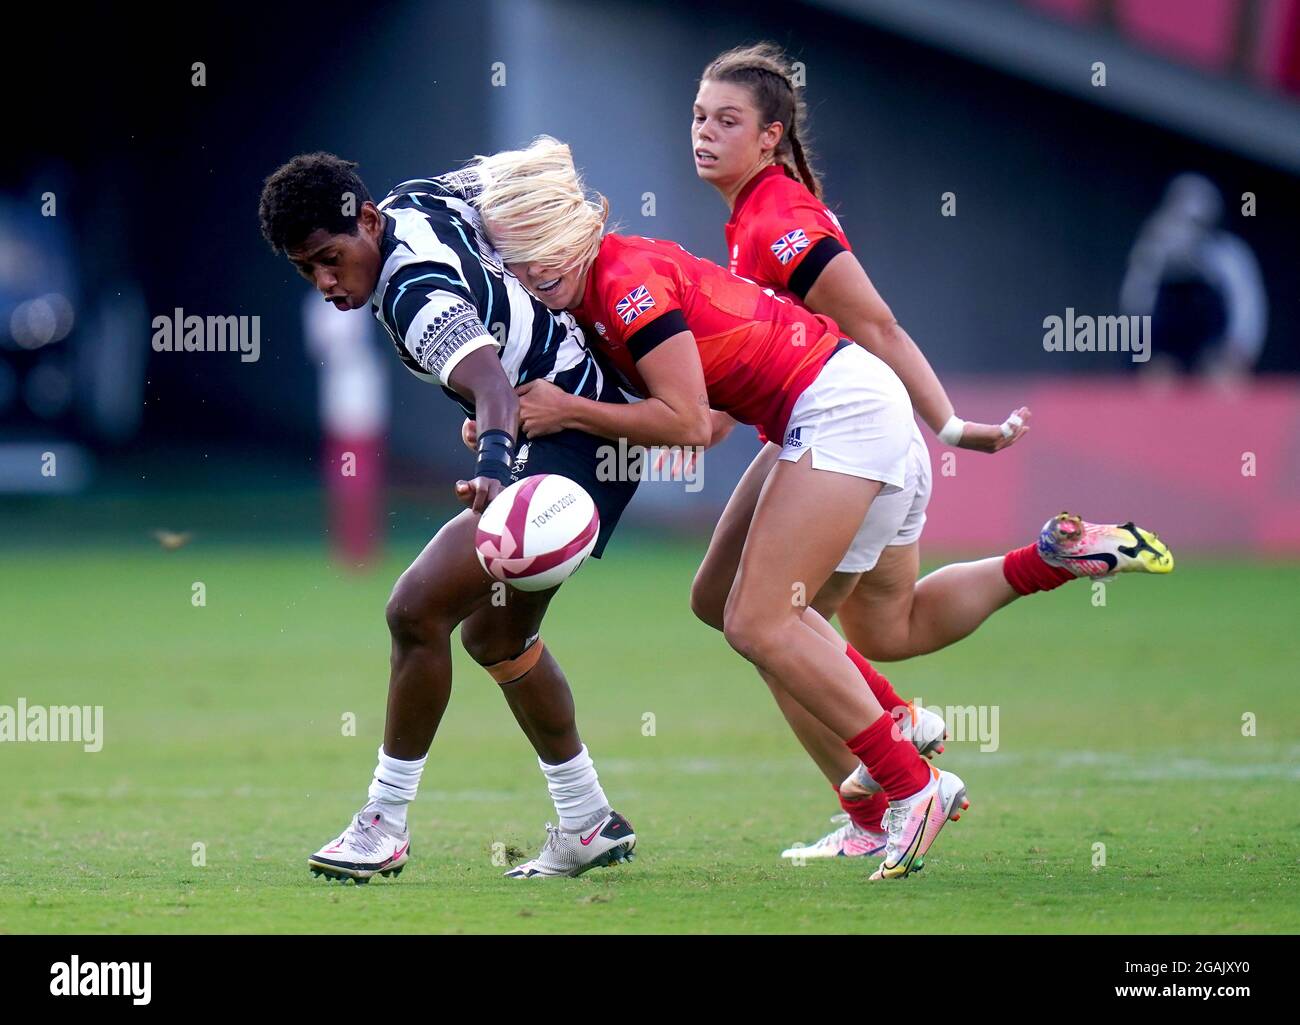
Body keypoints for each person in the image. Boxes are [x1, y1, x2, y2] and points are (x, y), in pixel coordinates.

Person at [689, 43, 1176, 858]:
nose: (704, 133)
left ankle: (883, 804)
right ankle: (1046, 559)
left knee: (774, 625)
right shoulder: (756, 214)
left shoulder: (781, 220)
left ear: (770, 136)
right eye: (699, 116)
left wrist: (951, 426)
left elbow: (877, 323)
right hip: (839, 441)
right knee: (872, 623)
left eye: (727, 121)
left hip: (851, 443)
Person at [472, 138, 969, 879]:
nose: (509, 274)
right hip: (812, 413)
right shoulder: (586, 293)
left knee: (761, 620)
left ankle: (912, 783)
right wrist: (510, 431)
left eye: (515, 257)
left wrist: (566, 411)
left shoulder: (625, 282)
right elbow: (608, 409)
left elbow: (689, 425)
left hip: (843, 408)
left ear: (548, 249)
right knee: (718, 600)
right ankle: (898, 732)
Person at [258, 155, 638, 881]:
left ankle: (382, 824)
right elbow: (533, 160)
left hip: (567, 449)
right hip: (590, 438)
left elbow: (491, 380)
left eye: (331, 260)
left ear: (367, 221)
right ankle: (588, 818)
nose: (327, 283)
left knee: (413, 611)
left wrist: (494, 465)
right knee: (498, 635)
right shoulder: (418, 196)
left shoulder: (411, 294)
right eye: (309, 270)